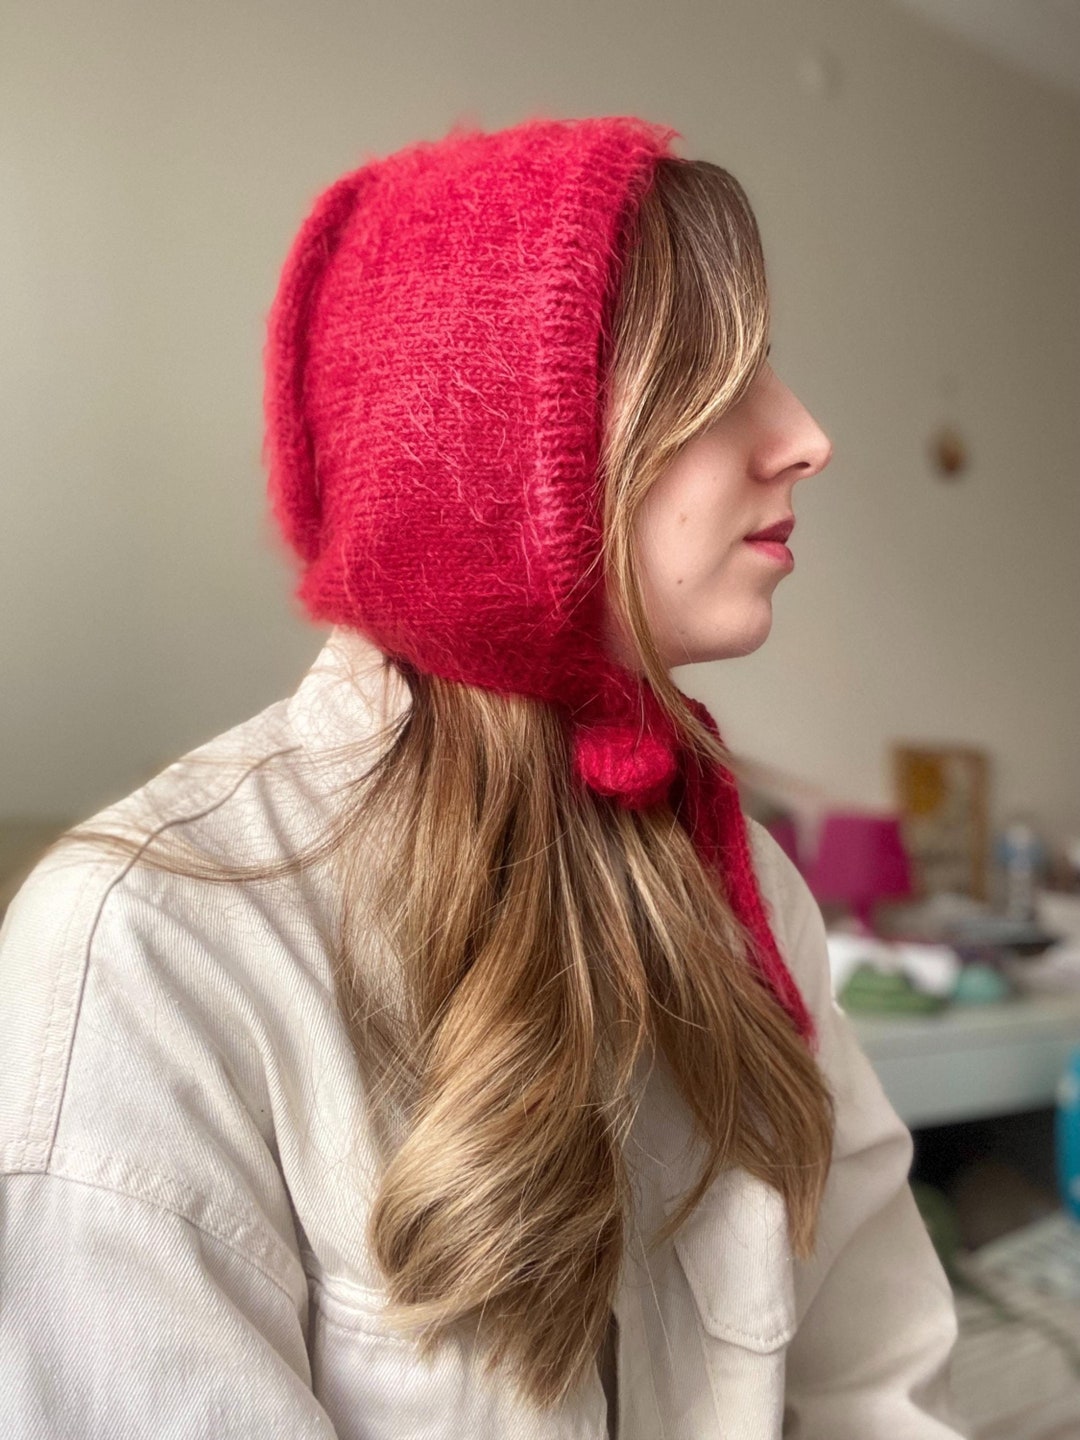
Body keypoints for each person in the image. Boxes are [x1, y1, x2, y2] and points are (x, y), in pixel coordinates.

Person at [0, 114, 966, 1438]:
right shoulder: (149, 945)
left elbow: (872, 1380)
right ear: (491, 444)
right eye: (707, 375)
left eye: (770, 367)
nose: (804, 436)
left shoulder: (739, 887)